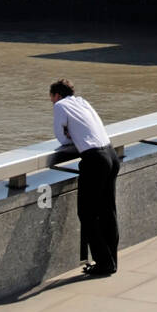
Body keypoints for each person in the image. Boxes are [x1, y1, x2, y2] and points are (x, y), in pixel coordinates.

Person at [50, 78, 120, 277]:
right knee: (108, 211)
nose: (52, 103)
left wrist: (68, 137)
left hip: (94, 160)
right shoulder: (83, 102)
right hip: (110, 154)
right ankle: (111, 261)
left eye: (52, 99)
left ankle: (103, 263)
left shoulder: (60, 106)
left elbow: (60, 136)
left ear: (56, 95)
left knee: (87, 214)